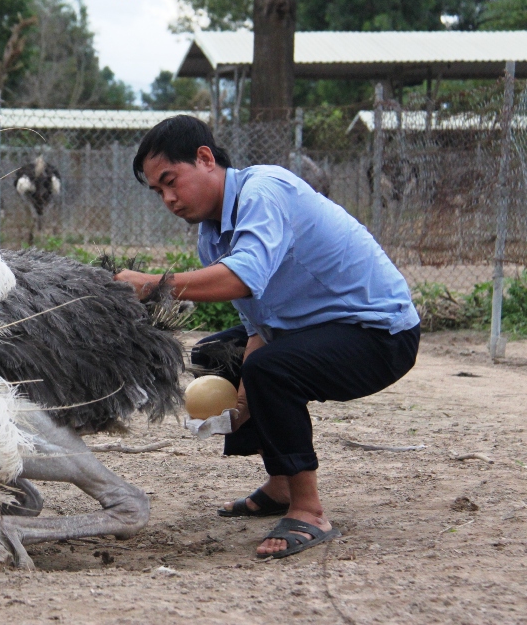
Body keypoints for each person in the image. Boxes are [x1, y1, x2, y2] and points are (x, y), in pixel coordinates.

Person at [115, 115, 420, 559]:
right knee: (218, 353)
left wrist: (150, 285)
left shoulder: (265, 191)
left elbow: (242, 278)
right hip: (319, 328)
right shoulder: (212, 236)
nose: (168, 198)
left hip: (380, 333)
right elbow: (262, 328)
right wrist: (242, 403)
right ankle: (280, 486)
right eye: (158, 191)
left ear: (204, 158)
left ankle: (309, 510)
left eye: (170, 181)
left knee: (269, 370)